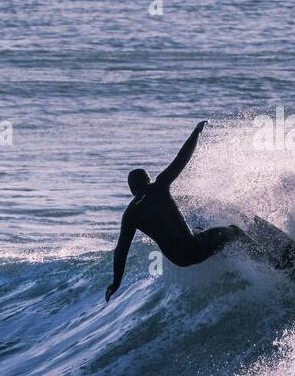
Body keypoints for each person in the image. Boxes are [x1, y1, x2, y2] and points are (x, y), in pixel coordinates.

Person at [104, 121, 253, 302]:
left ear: (131, 189)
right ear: (148, 181)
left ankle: (229, 260)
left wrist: (116, 283)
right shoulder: (159, 186)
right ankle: (268, 259)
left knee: (198, 229)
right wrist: (196, 132)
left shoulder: (130, 214)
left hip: (179, 260)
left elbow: (121, 250)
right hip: (194, 248)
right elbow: (182, 158)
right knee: (234, 231)